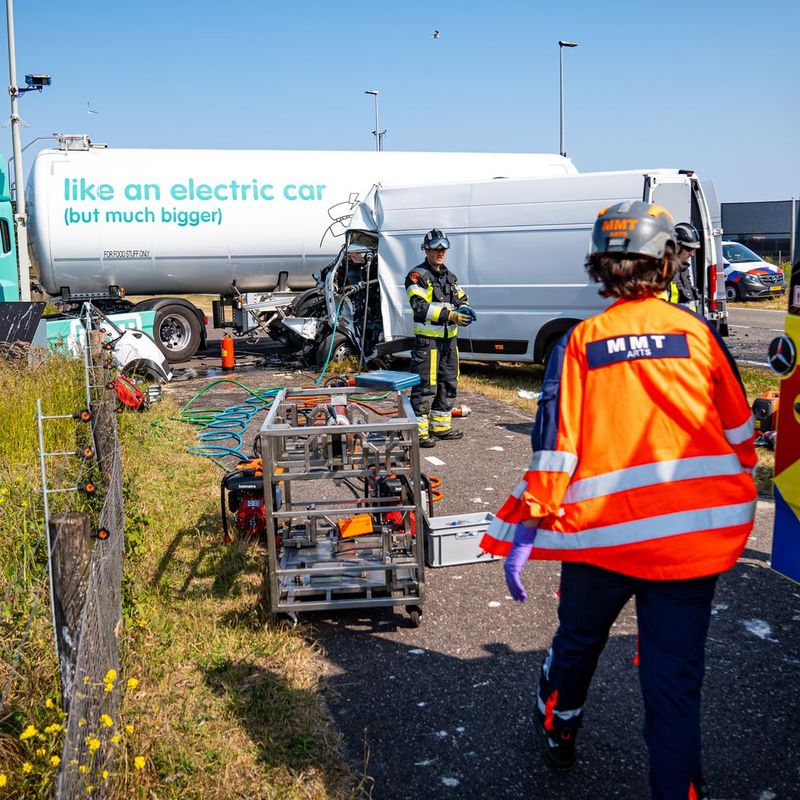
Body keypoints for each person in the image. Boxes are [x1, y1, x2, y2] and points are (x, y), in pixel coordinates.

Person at [480, 201, 756, 799]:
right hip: (689, 544)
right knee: (674, 682)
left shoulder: (580, 342)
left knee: (577, 643)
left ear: (601, 266)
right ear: (668, 262)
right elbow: (741, 437)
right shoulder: (699, 336)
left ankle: (559, 728)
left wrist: (526, 529)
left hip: (602, 539)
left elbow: (554, 452)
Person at [405, 229, 475, 447]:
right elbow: (419, 306)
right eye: (436, 248)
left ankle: (440, 428)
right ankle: (419, 433)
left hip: (449, 342)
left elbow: (462, 297)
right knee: (426, 386)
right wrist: (450, 315)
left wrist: (464, 309)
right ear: (426, 250)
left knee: (448, 383)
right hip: (428, 343)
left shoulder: (449, 276)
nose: (440, 252)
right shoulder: (417, 276)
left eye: (443, 248)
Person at [667, 222, 701, 310]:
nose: (692, 254)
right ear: (676, 247)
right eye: (689, 249)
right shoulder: (665, 273)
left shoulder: (684, 271)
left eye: (693, 249)